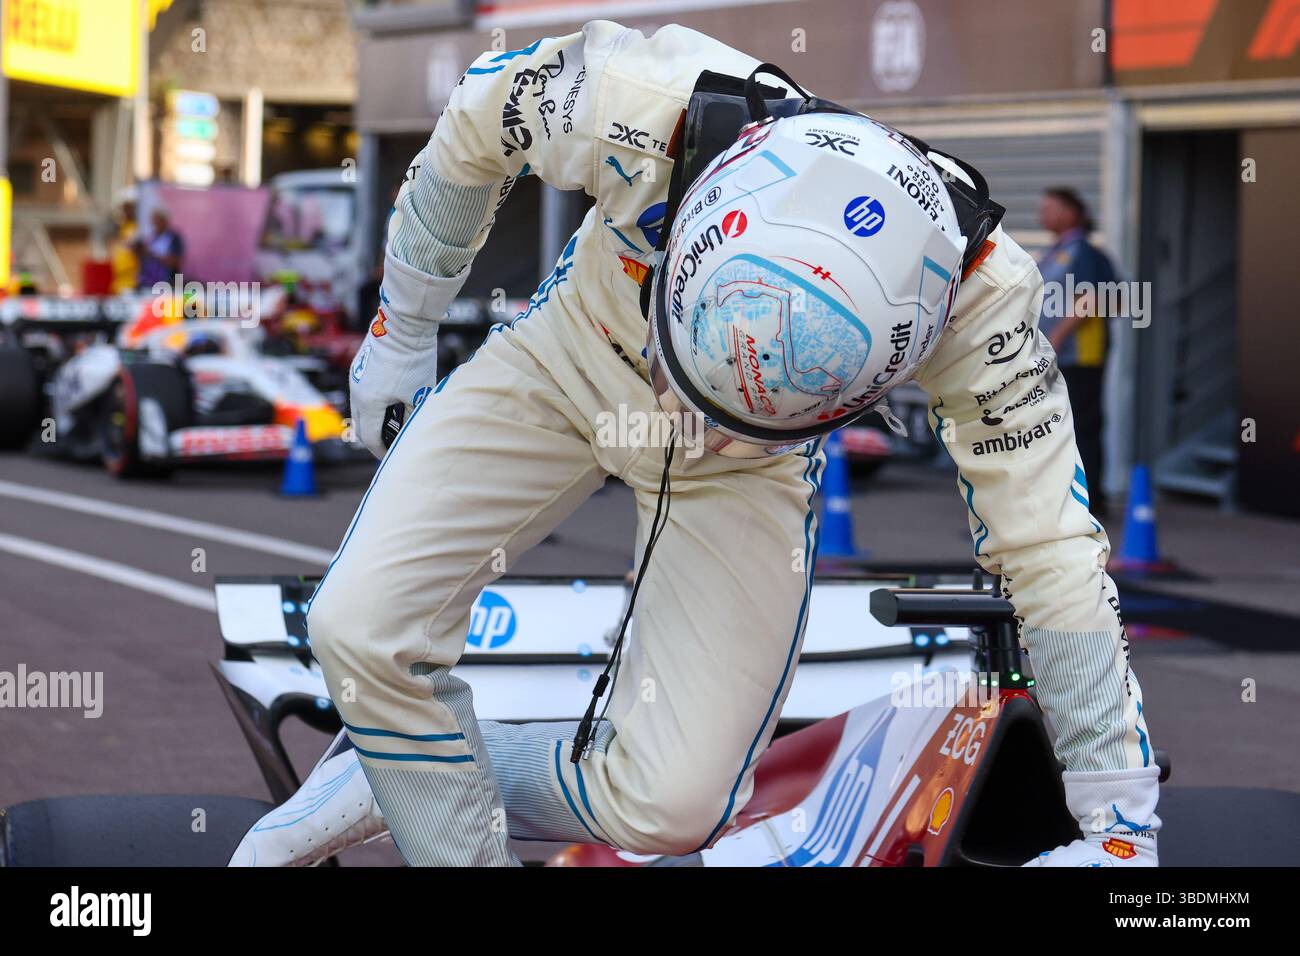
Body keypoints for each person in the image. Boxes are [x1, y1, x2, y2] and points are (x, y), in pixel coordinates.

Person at [230, 21, 1158, 868]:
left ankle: (389, 772)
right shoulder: (644, 100)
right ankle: (412, 775)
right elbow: (477, 119)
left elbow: (1052, 555)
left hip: (746, 468)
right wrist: (403, 327)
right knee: (357, 627)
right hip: (573, 358)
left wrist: (1119, 821)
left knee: (672, 810)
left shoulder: (982, 301)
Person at [1036, 187, 1117, 510]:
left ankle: (1090, 500)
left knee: (1082, 425)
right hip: (1058, 355)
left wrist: (1056, 336)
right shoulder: (1057, 251)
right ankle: (1066, 495)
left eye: (1049, 207)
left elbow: (1091, 299)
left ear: (1071, 213)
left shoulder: (1083, 252)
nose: (1042, 214)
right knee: (1056, 425)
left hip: (1079, 355)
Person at [133, 207, 185, 290]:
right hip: (149, 284)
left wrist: (153, 255)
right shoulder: (151, 237)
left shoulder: (174, 238)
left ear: (165, 221)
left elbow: (176, 262)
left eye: (158, 220)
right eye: (154, 221)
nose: (155, 223)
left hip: (168, 283)